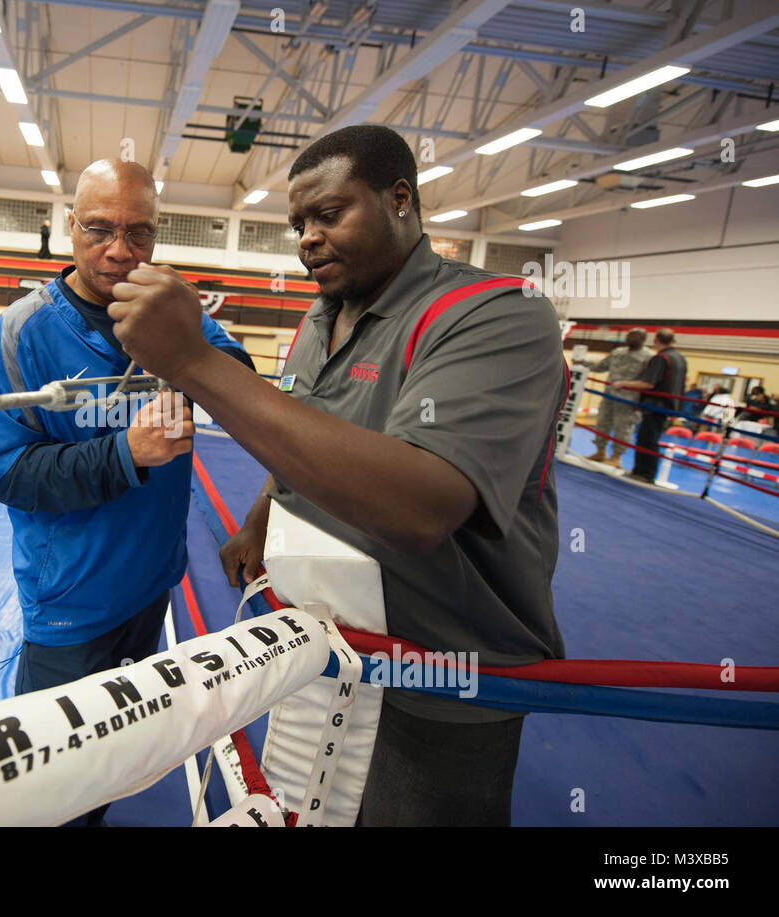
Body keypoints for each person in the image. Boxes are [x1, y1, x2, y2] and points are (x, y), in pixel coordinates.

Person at [107, 125, 569, 826]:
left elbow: (422, 507)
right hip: (326, 640)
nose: (308, 238)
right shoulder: (320, 319)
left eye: (329, 214)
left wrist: (195, 361)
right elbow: (307, 428)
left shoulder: (495, 313)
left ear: (400, 199)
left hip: (438, 677)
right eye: (298, 224)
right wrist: (264, 514)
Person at [0, 159, 253, 826]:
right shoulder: (21, 332)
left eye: (140, 233)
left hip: (150, 593)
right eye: (98, 228)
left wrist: (187, 349)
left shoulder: (167, 311)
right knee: (51, 790)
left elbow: (239, 377)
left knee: (111, 765)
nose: (119, 250)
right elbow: (7, 472)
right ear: (68, 226)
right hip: (70, 613)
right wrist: (124, 453)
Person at [611, 328, 688, 483]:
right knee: (651, 438)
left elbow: (648, 383)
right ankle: (644, 472)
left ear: (655, 341)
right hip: (668, 404)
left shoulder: (661, 358)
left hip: (654, 405)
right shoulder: (680, 358)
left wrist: (622, 383)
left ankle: (644, 473)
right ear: (674, 341)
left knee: (647, 439)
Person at [582, 328, 653, 465]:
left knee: (623, 427)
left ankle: (616, 457)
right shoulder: (618, 352)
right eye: (629, 335)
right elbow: (601, 366)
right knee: (602, 422)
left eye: (636, 336)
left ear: (643, 339)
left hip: (630, 400)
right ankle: (600, 451)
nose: (631, 338)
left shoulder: (649, 356)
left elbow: (648, 380)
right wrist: (581, 362)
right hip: (609, 395)